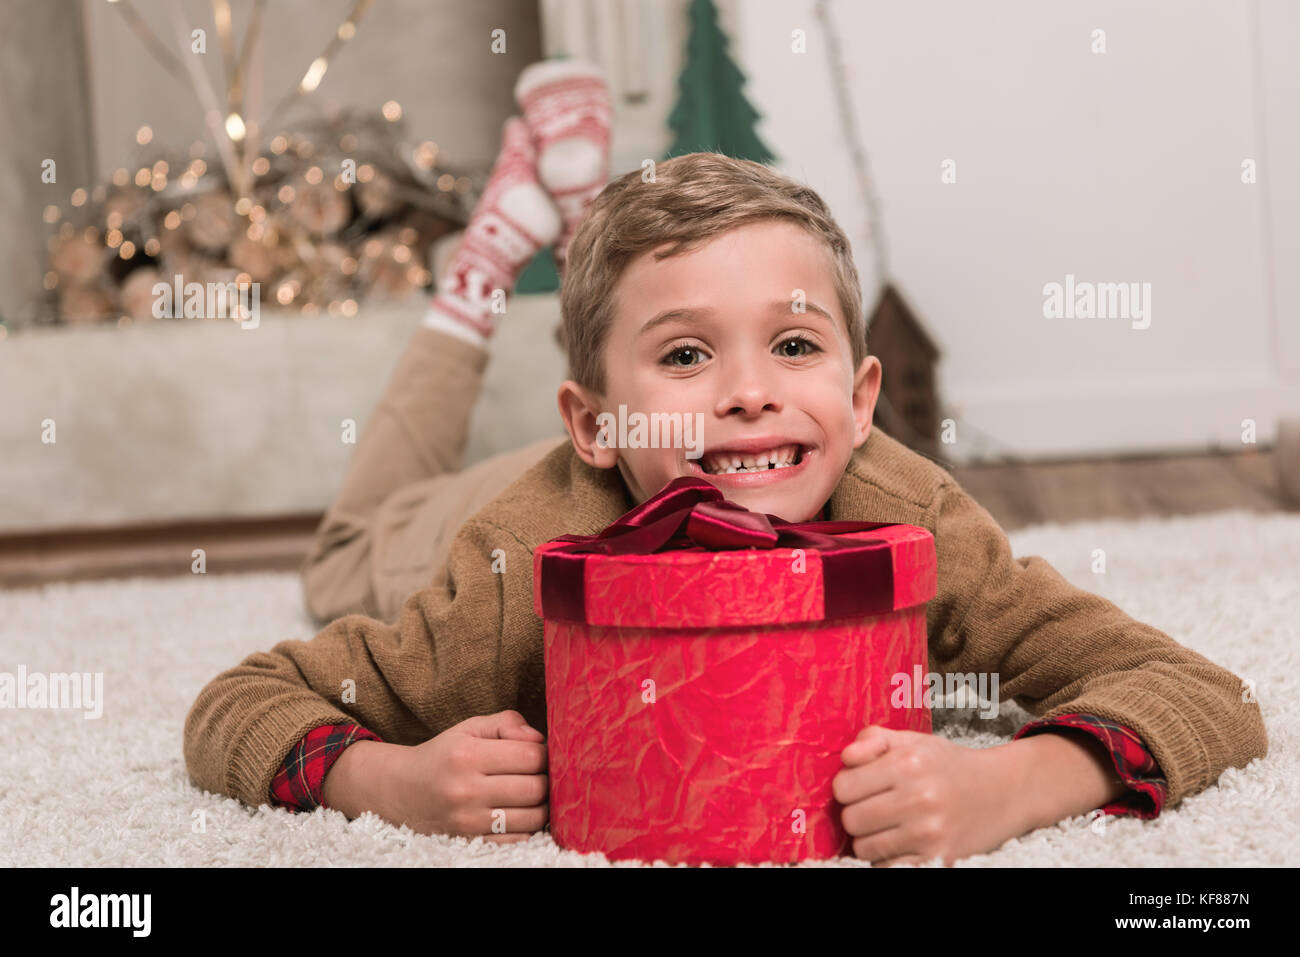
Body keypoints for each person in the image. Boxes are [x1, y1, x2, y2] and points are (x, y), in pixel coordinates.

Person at [183, 59, 1267, 867]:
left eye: (793, 345)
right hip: (463, 517)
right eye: (692, 352)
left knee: (658, 367)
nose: (752, 391)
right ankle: (479, 275)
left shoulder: (904, 511)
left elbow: (1200, 694)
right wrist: (395, 781)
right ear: (590, 423)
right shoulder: (518, 565)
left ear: (858, 400)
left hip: (655, 447)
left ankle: (603, 276)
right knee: (347, 542)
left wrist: (1016, 784)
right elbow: (238, 703)